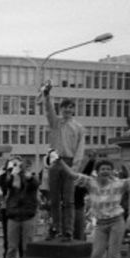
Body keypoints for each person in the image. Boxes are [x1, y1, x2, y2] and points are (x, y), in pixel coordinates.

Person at [69, 159, 130, 258]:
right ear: (98, 171)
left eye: (108, 169)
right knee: (96, 255)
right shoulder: (91, 183)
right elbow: (73, 175)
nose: (106, 171)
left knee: (113, 254)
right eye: (103, 169)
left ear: (112, 171)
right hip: (101, 224)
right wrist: (58, 162)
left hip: (116, 221)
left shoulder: (119, 184)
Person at [39, 83, 85, 240]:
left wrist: (75, 168)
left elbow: (80, 149)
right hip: (54, 162)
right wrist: (47, 95)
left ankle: (68, 230)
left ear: (73, 110)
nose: (67, 110)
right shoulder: (55, 122)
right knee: (54, 199)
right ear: (61, 109)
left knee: (68, 200)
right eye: (64, 107)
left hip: (69, 162)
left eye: (70, 107)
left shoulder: (78, 128)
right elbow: (48, 110)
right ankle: (55, 228)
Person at [0, 156, 40, 258]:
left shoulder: (30, 177)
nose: (18, 168)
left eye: (20, 165)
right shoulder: (9, 177)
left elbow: (35, 184)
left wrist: (27, 176)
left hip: (27, 214)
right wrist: (10, 172)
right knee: (12, 246)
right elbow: (5, 185)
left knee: (27, 246)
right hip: (13, 214)